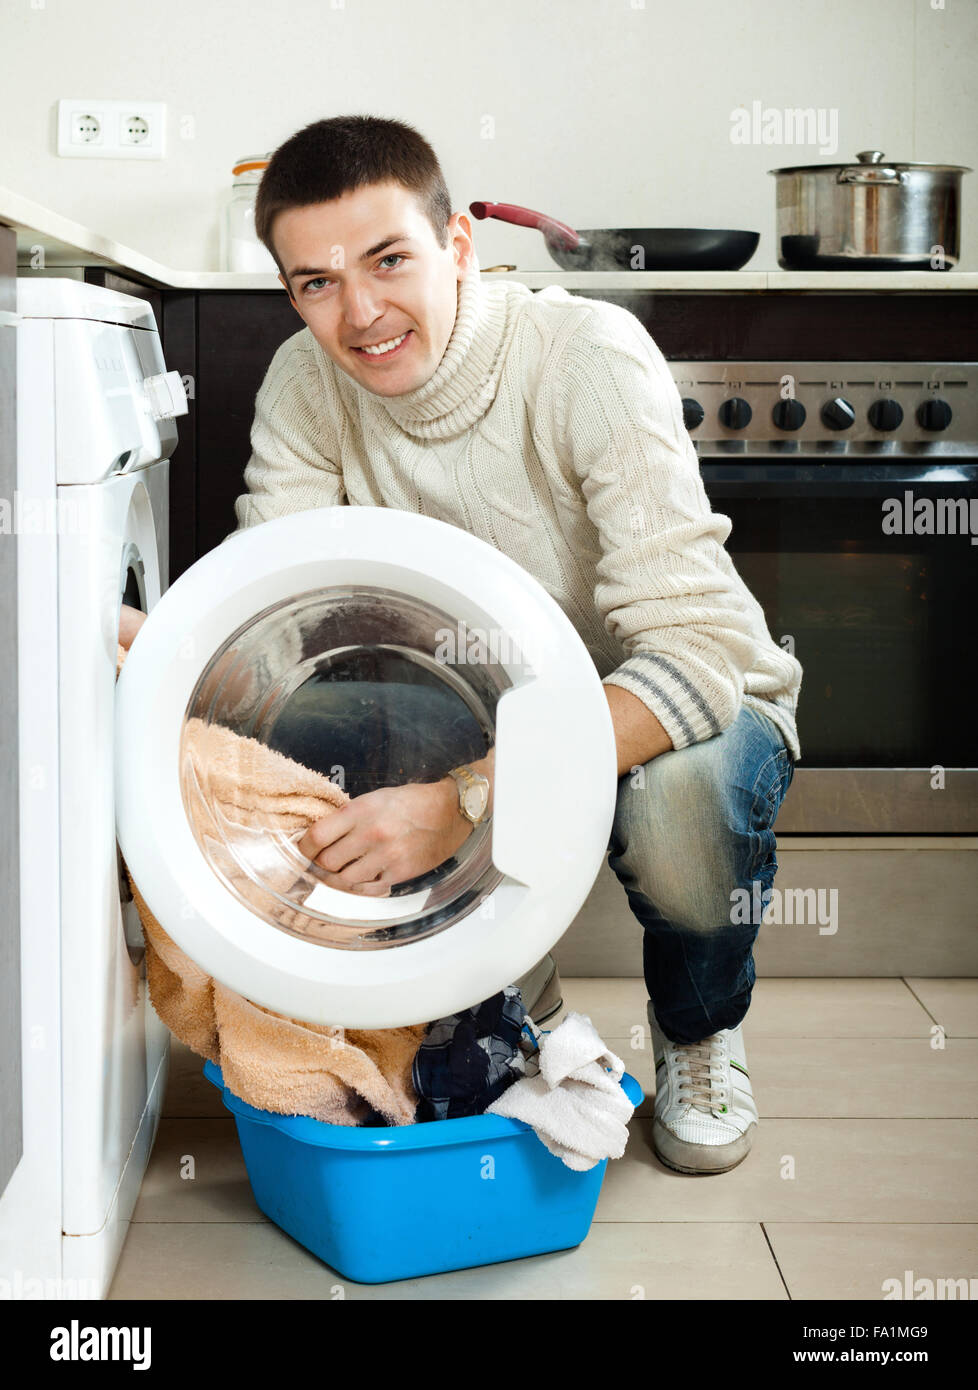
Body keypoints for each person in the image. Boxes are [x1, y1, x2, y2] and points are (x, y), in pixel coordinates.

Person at [123, 114, 803, 1175]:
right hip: (475, 707)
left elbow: (699, 652)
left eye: (389, 260)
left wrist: (464, 800)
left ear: (459, 247)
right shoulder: (307, 384)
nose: (360, 313)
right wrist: (152, 650)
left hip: (681, 701)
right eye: (315, 282)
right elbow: (273, 620)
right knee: (299, 731)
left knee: (677, 809)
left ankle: (700, 1027)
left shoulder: (586, 356)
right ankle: (503, 1012)